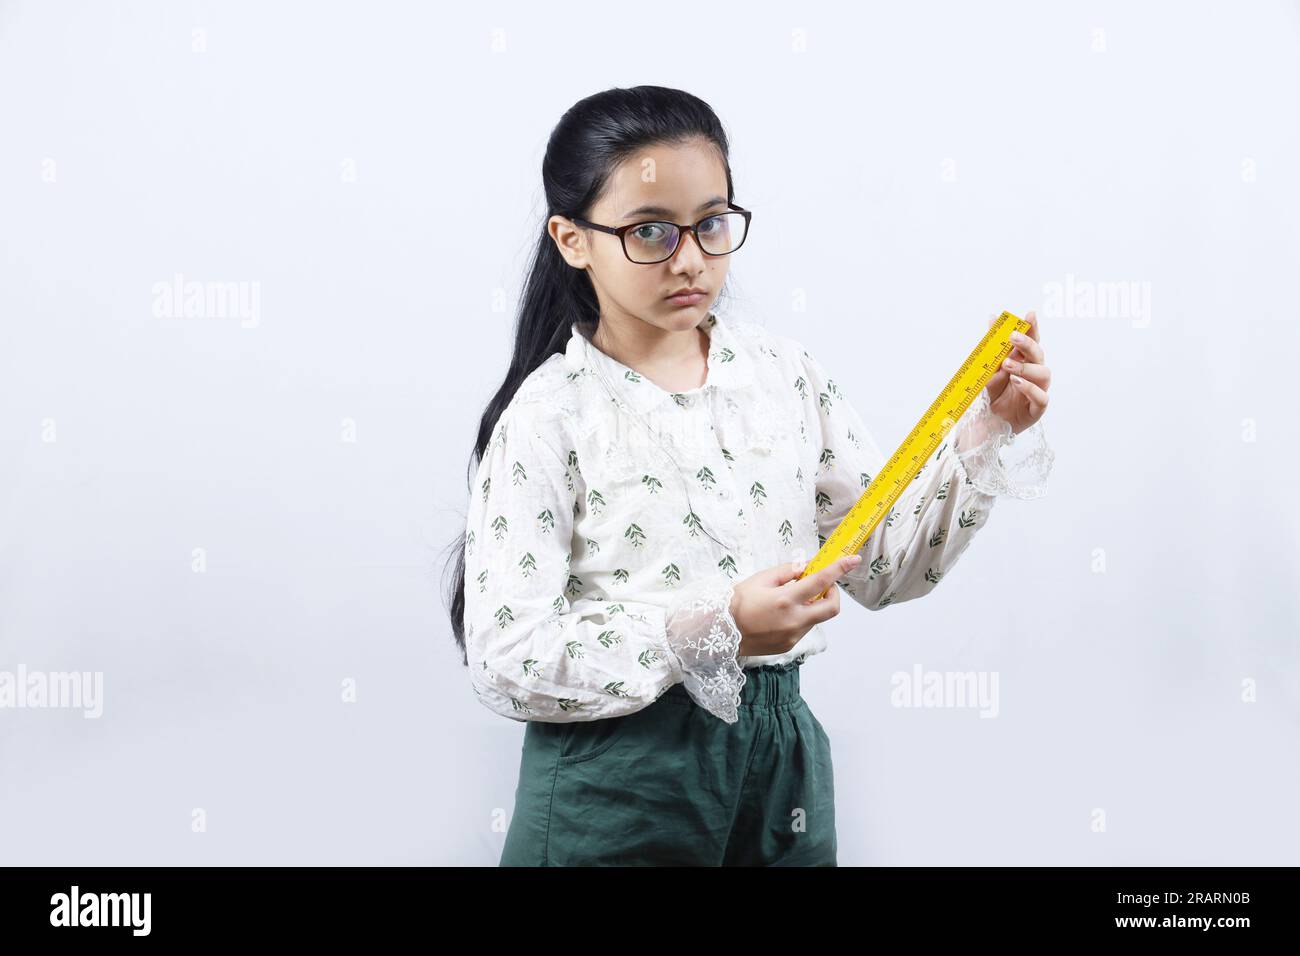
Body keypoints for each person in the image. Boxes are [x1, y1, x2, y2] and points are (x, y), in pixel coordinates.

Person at [446, 85, 1055, 866]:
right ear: (572, 239)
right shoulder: (550, 416)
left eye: (711, 224)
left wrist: (988, 427)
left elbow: (890, 568)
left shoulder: (783, 376)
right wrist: (714, 626)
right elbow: (509, 659)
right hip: (616, 786)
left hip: (780, 770)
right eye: (651, 232)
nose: (692, 259)